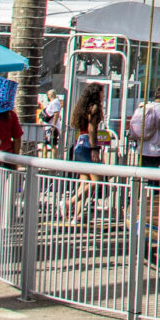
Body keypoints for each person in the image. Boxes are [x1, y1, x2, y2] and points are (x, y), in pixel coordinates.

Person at [63, 84, 105, 221]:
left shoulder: (84, 107)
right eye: (102, 92)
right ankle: (70, 202)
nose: (103, 95)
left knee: (84, 182)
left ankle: (76, 216)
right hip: (87, 145)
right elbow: (92, 128)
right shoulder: (95, 108)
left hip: (80, 143)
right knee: (97, 180)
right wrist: (94, 149)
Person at [137, 86, 160, 168]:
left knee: (143, 173)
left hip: (142, 149)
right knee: (155, 175)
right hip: (155, 151)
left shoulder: (147, 106)